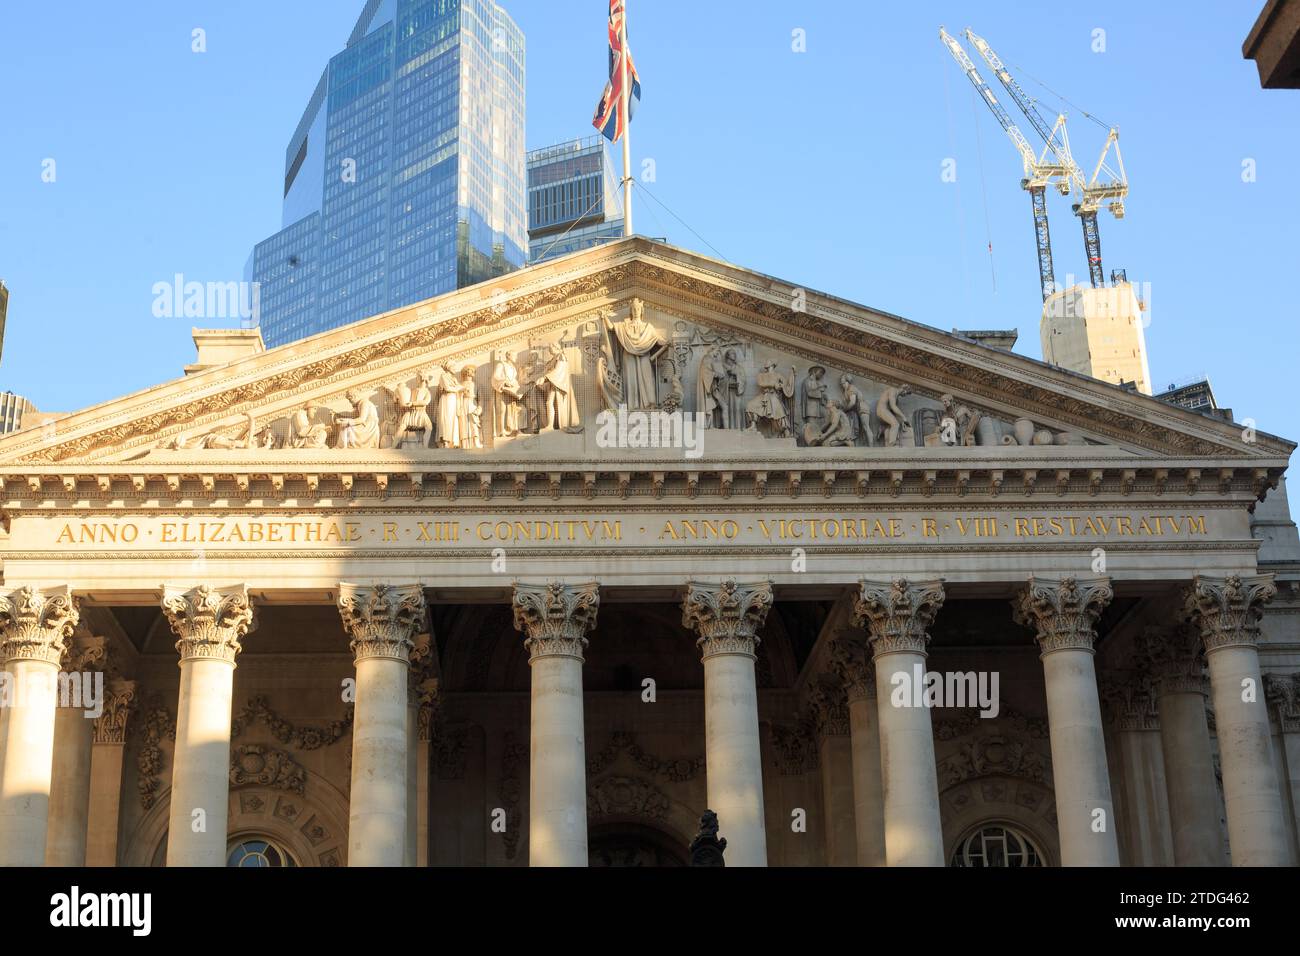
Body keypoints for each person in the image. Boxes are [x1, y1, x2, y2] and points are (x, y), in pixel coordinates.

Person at [435, 364, 462, 448]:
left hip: (453, 399)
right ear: (449, 368)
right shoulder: (443, 376)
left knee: (454, 419)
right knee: (446, 419)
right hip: (447, 399)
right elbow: (447, 388)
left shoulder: (454, 379)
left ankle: (453, 441)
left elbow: (458, 387)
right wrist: (459, 388)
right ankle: (445, 441)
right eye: (453, 367)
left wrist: (462, 388)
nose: (455, 369)